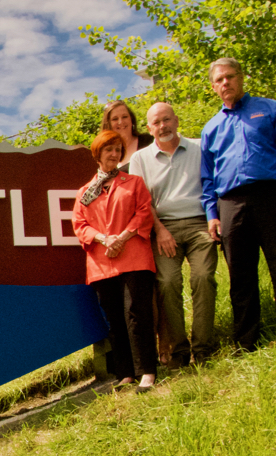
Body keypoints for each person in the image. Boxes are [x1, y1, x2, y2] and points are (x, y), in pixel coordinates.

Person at [200, 58, 276, 350]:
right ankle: (246, 342)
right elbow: (207, 177)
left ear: (241, 77)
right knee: (240, 276)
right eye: (219, 79)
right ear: (213, 87)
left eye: (230, 76)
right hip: (230, 203)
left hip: (270, 195)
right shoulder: (211, 128)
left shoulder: (271, 109)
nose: (226, 82)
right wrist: (211, 214)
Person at [128, 102, 219, 367]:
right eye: (156, 123)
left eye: (166, 120)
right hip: (163, 228)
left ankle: (203, 348)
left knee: (203, 278)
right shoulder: (140, 159)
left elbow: (213, 185)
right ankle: (179, 350)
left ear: (176, 121)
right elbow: (142, 201)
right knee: (167, 283)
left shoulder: (199, 148)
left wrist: (213, 218)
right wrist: (160, 230)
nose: (163, 126)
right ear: (149, 129)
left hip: (200, 224)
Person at [73, 130, 158, 393]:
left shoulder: (133, 182)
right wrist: (103, 239)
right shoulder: (85, 192)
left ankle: (147, 371)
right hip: (101, 263)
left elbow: (144, 212)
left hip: (134, 257)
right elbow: (80, 225)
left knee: (136, 314)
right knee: (114, 319)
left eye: (118, 149)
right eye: (108, 149)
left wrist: (121, 238)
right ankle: (126, 373)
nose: (114, 154)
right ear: (97, 154)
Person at [102, 99, 154, 172]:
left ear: (131, 119)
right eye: (115, 119)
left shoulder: (149, 141)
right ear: (108, 125)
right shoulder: (105, 154)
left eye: (124, 117)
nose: (120, 122)